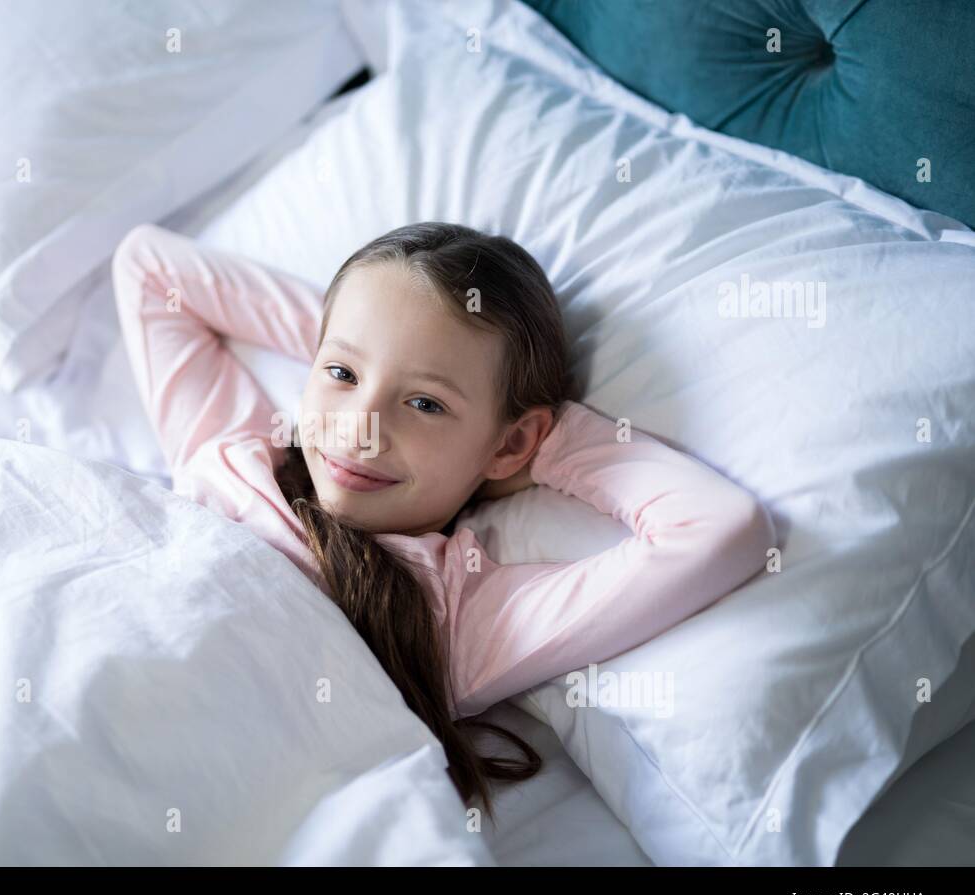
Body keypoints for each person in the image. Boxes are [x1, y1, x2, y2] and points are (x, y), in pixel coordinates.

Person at [112, 220, 776, 820]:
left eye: (425, 404)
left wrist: (531, 445)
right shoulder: (235, 451)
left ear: (513, 443)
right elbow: (149, 267)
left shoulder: (463, 620)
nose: (359, 430)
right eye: (339, 374)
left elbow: (720, 527)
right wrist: (360, 330)